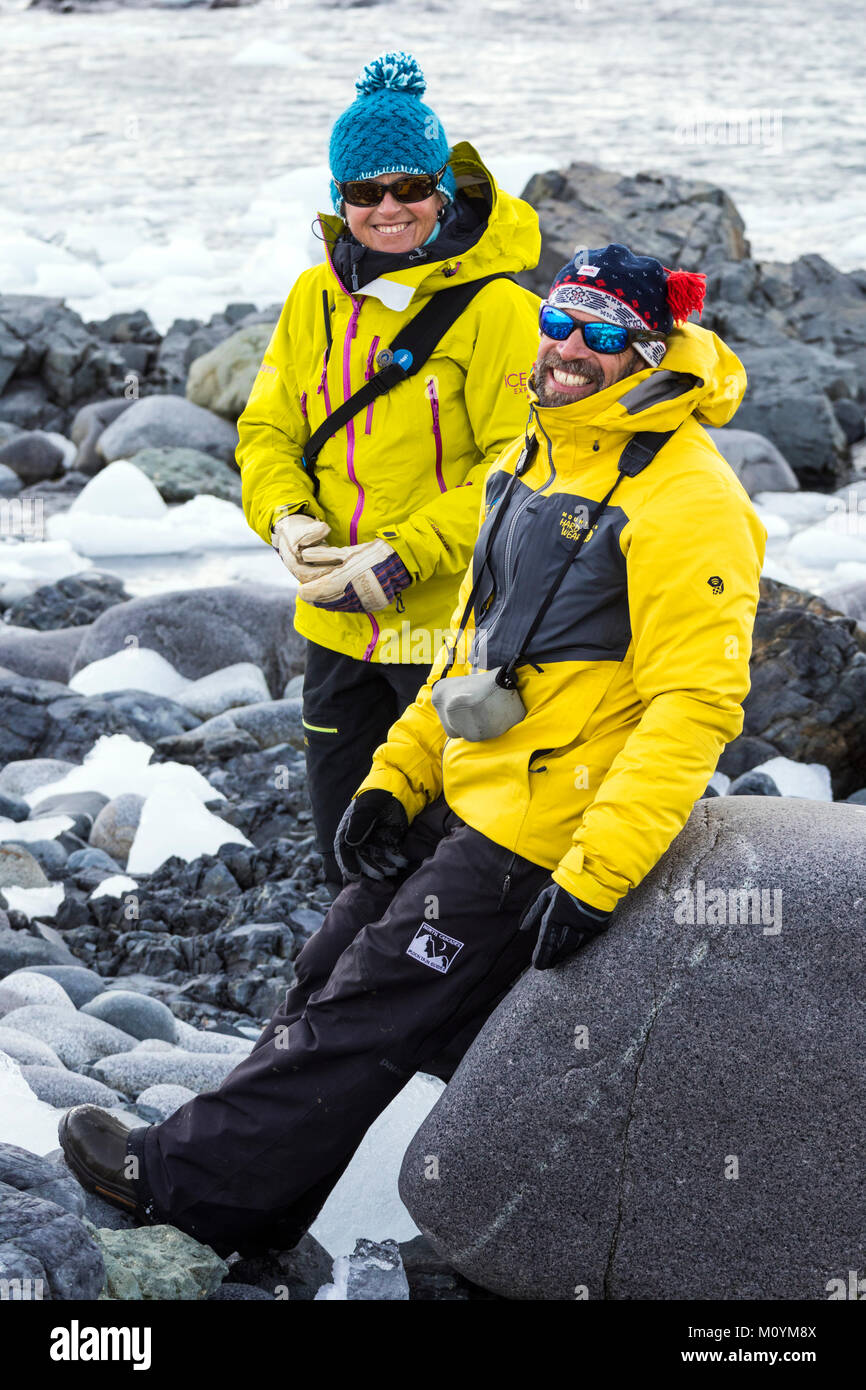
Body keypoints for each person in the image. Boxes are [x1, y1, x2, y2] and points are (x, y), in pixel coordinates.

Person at [59, 243, 767, 1259]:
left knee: (365, 1004)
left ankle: (182, 1186)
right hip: (465, 792)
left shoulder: (691, 498)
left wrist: (598, 873)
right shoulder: (534, 453)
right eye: (558, 320)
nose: (569, 346)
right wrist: (395, 778)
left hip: (540, 831)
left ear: (651, 351)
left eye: (602, 332)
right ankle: (257, 1210)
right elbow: (471, 648)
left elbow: (694, 706)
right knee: (322, 970)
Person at [237, 51, 541, 888]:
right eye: (364, 192)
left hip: (449, 634)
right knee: (346, 850)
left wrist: (407, 553)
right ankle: (347, 972)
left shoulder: (500, 309)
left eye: (409, 186)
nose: (388, 209)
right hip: (335, 628)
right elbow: (267, 430)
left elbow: (522, 469)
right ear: (339, 200)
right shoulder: (312, 298)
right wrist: (285, 517)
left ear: (443, 188)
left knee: (446, 862)